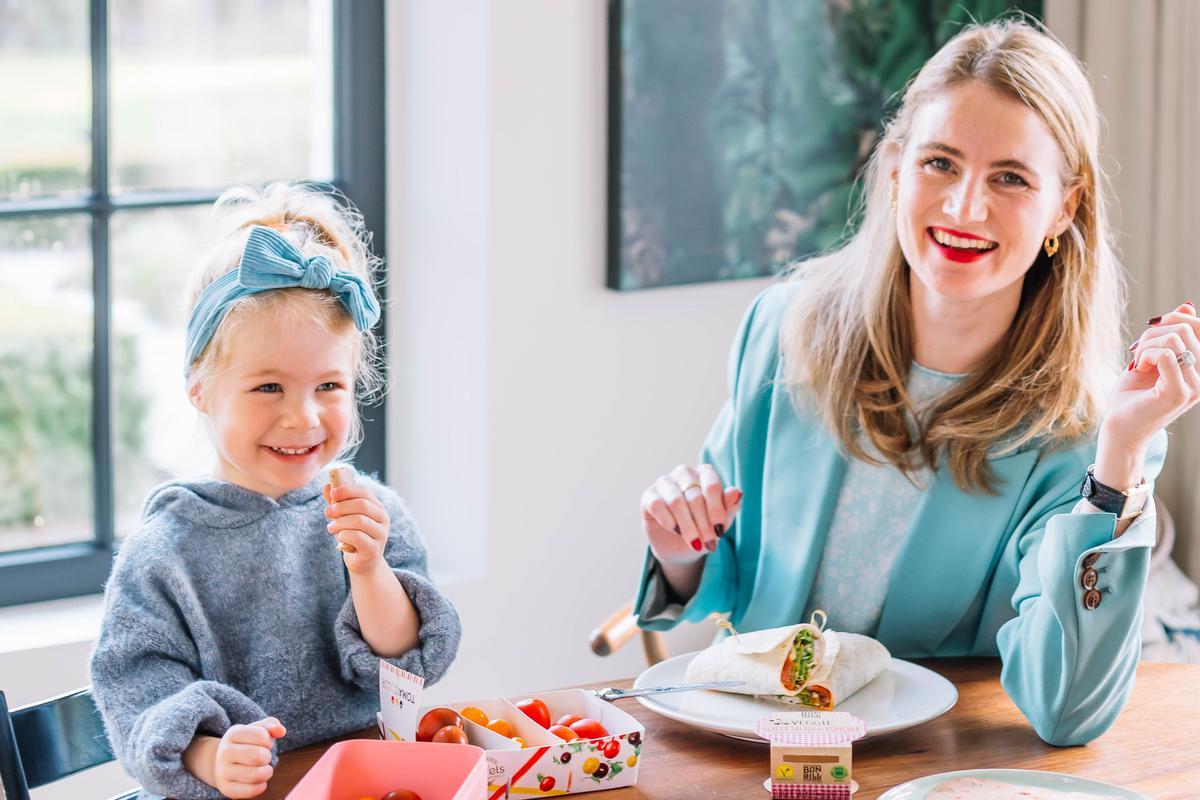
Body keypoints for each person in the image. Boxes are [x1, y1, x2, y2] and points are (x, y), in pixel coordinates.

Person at [634, 18, 1199, 747]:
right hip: (756, 754)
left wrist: (1119, 454)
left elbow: (1070, 712)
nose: (965, 207)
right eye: (940, 163)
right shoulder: (783, 328)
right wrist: (681, 546)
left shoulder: (1091, 435)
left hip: (924, 772)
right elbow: (732, 577)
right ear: (896, 169)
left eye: (1011, 177)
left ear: (1065, 205)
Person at [90, 183, 461, 799]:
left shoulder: (376, 515)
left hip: (367, 785)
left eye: (329, 387)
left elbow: (403, 668)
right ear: (201, 388)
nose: (304, 419)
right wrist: (212, 757)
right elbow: (137, 696)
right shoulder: (163, 553)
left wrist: (369, 570)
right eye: (269, 388)